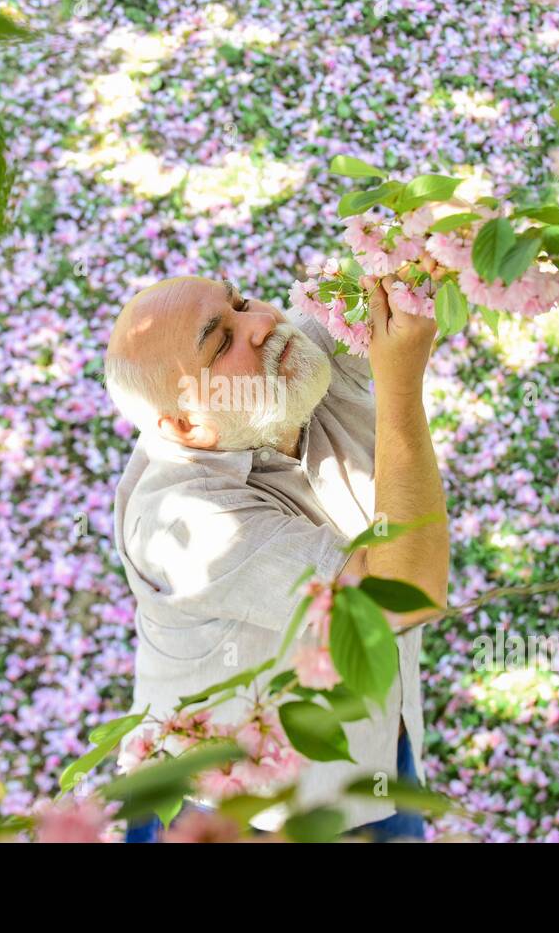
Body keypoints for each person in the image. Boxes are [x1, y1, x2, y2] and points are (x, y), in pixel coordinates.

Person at [105, 272, 450, 842]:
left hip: (377, 747)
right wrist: (401, 386)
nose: (265, 324)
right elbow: (407, 595)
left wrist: (438, 240)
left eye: (240, 302)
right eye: (220, 342)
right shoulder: (185, 523)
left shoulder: (288, 363)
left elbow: (411, 273)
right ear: (186, 426)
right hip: (254, 814)